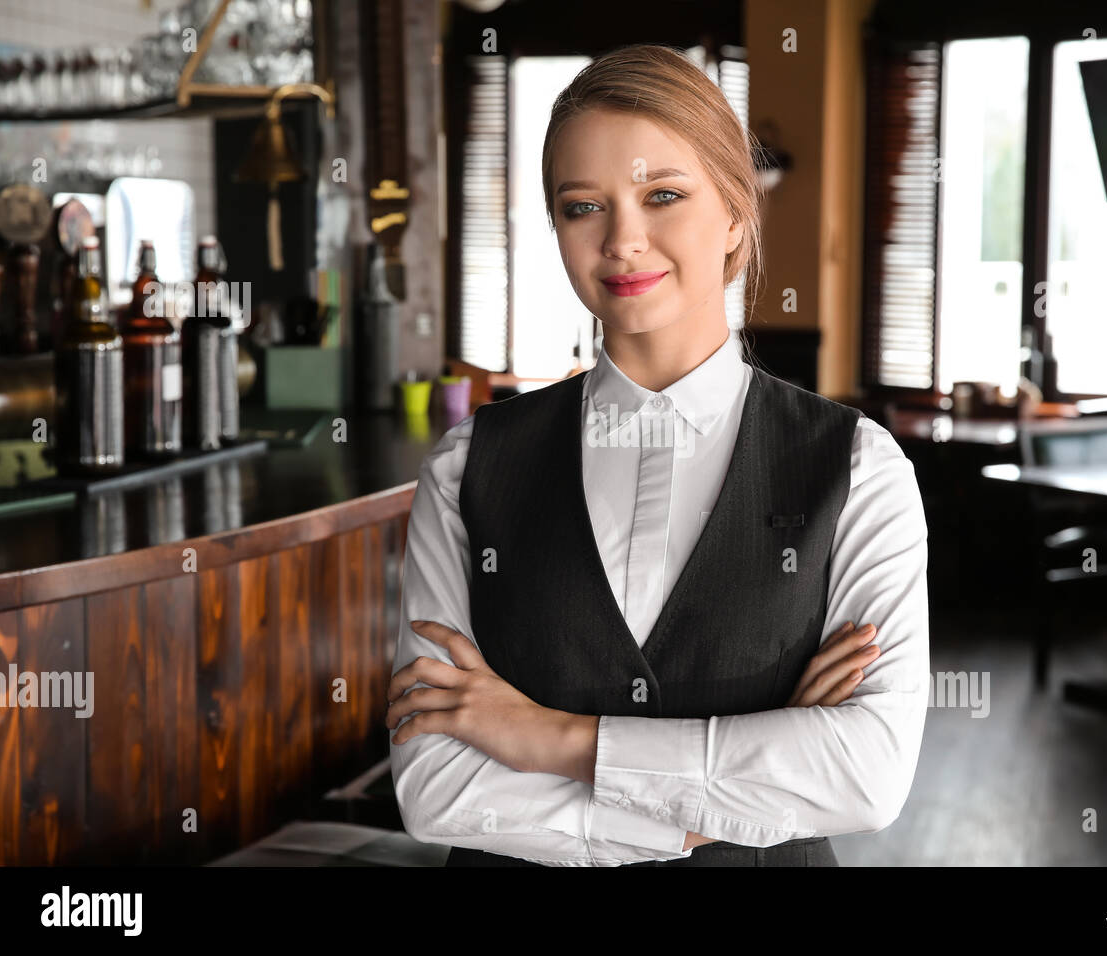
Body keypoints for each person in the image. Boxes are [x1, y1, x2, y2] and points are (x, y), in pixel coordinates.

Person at [386, 44, 929, 867]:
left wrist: (553, 739)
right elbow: (435, 787)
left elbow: (867, 774)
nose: (623, 241)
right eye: (582, 207)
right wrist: (735, 789)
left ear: (737, 214)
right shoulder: (467, 469)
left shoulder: (861, 470)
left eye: (663, 195)